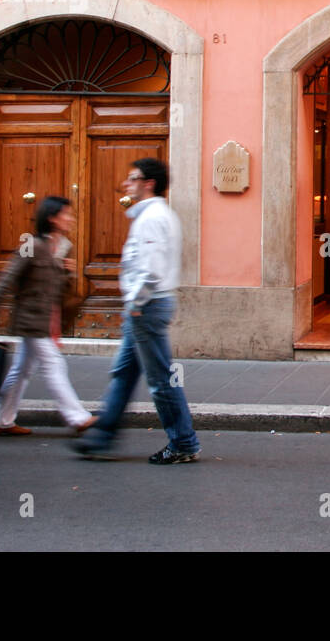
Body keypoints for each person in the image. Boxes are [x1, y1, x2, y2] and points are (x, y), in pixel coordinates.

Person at [74, 159, 199, 463]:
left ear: (149, 183)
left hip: (148, 306)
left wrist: (138, 304)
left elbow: (152, 269)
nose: (126, 184)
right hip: (145, 305)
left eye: (132, 179)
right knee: (124, 373)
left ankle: (183, 443)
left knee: (160, 379)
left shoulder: (153, 218)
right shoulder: (152, 215)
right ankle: (103, 435)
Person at [0, 196, 96, 436]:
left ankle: (2, 421)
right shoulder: (30, 244)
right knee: (53, 364)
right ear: (52, 217)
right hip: (30, 319)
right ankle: (77, 417)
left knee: (21, 370)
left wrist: (68, 274)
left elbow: (60, 290)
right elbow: (7, 278)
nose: (71, 219)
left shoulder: (64, 247)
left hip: (48, 319)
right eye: (66, 214)